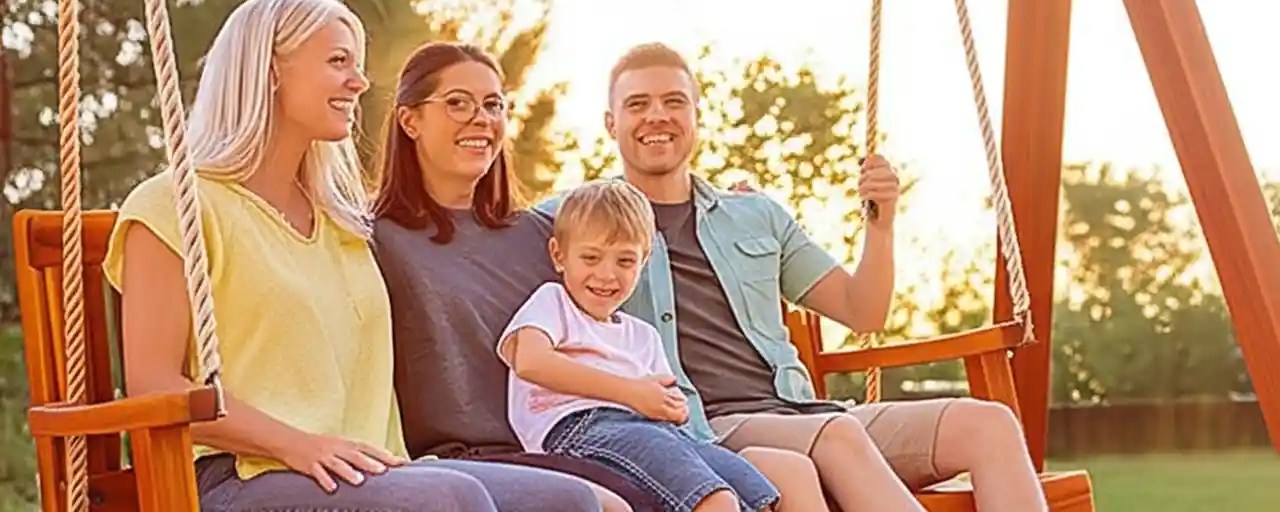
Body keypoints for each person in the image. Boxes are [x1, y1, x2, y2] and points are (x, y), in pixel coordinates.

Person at [103, 0, 601, 511]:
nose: (360, 82)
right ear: (269, 70)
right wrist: (298, 445)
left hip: (364, 466)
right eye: (338, 61)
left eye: (358, 64)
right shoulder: (177, 205)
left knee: (566, 501)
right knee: (449, 500)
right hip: (236, 476)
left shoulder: (342, 221)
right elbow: (152, 385)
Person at [537, 42, 1051, 512]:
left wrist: (883, 222)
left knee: (989, 424)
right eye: (637, 104)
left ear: (697, 114)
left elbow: (863, 310)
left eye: (674, 101)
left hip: (804, 409)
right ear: (610, 123)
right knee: (834, 437)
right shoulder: (574, 222)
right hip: (706, 429)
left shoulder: (755, 215)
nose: (657, 116)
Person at [370, 41, 828, 512]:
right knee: (638, 500)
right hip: (491, 450)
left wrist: (737, 206)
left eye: (493, 105)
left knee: (778, 478)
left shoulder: (537, 232)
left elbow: (613, 236)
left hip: (598, 434)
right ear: (411, 121)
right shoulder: (376, 238)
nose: (480, 119)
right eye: (457, 103)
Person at [498, 178, 781, 512]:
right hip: (577, 430)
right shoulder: (554, 302)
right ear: (559, 255)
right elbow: (530, 362)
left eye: (625, 261)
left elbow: (664, 402)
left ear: (644, 261)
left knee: (753, 491)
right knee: (714, 500)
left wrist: (670, 406)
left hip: (650, 430)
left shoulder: (642, 335)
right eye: (590, 257)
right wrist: (629, 392)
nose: (606, 274)